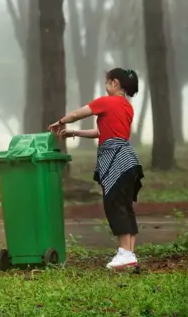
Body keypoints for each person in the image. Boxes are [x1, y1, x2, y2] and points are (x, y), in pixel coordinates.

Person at [48, 68, 144, 270]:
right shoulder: (127, 106)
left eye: (107, 82)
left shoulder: (106, 101)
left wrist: (60, 122)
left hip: (116, 160)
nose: (105, 86)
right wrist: (74, 133)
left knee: (115, 205)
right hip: (129, 160)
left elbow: (76, 114)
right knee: (124, 206)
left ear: (115, 83)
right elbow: (101, 132)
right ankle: (129, 255)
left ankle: (125, 254)